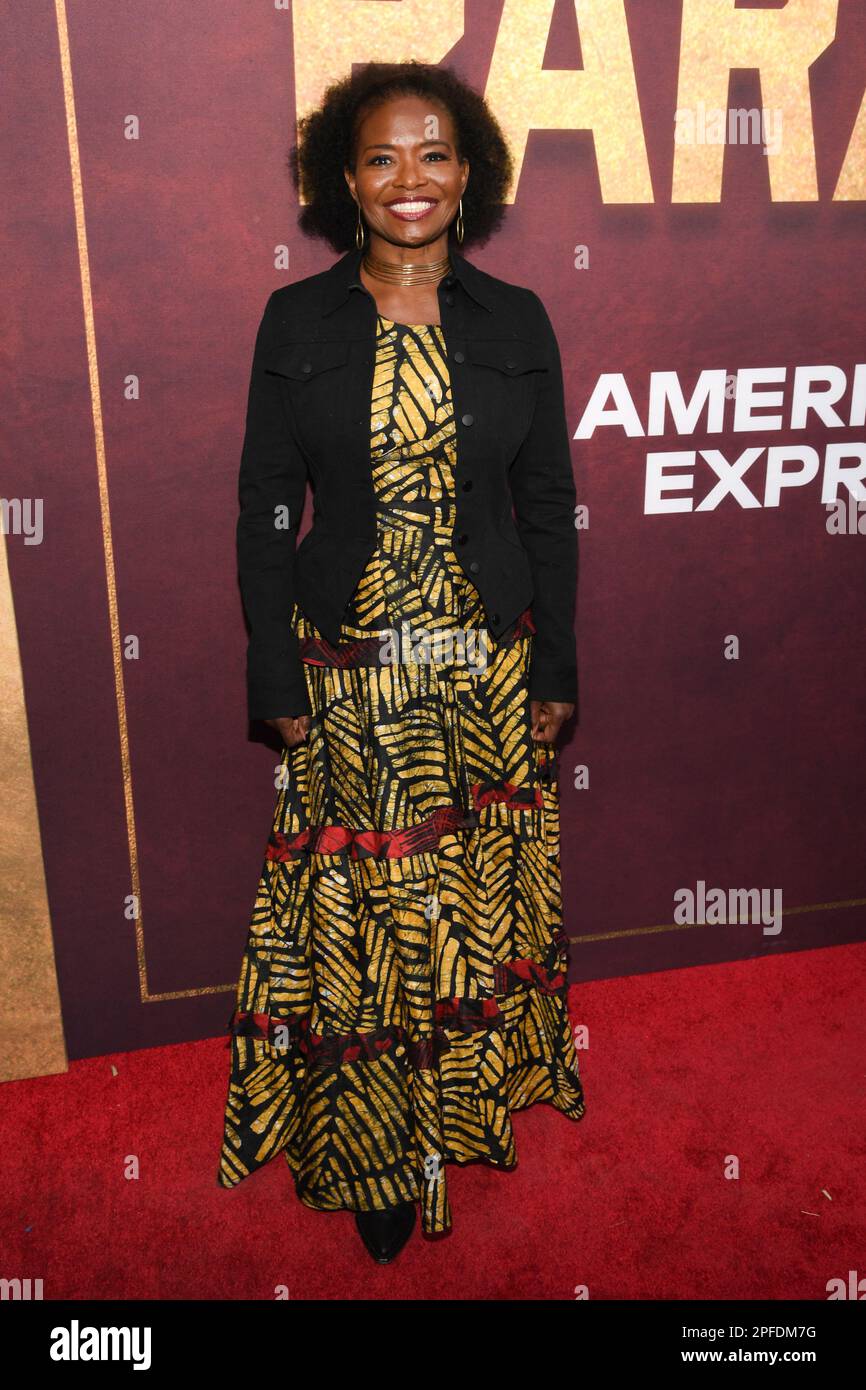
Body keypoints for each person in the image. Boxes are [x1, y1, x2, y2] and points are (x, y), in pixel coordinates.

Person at [218, 60, 585, 1264]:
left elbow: (548, 504)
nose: (408, 179)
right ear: (346, 179)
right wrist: (272, 678)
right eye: (381, 157)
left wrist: (553, 670)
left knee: (466, 907)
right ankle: (378, 1150)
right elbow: (267, 506)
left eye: (432, 154)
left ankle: (468, 1110)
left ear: (467, 171)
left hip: (483, 663)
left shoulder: (518, 318)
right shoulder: (297, 321)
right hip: (357, 668)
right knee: (371, 919)